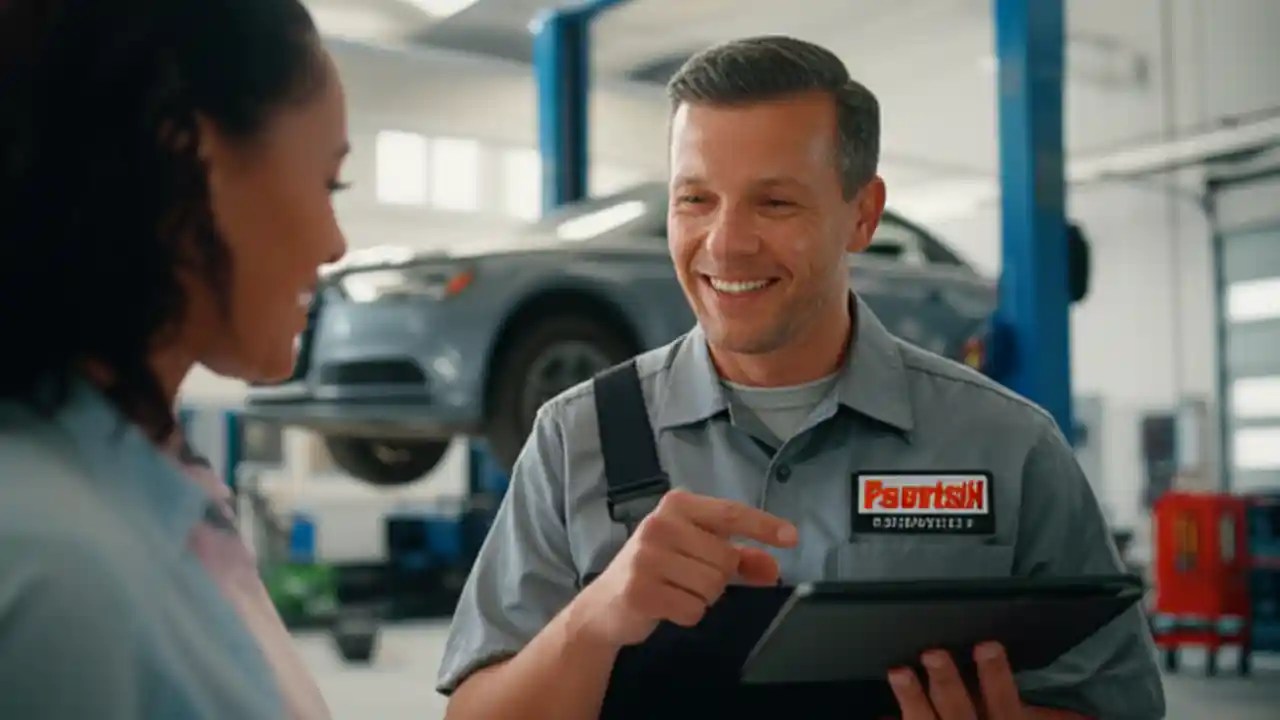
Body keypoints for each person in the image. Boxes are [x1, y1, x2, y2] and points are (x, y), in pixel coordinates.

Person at [437, 35, 1165, 720]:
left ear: (862, 215)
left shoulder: (1007, 448)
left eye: (774, 202)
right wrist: (593, 622)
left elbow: (1119, 702)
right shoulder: (578, 438)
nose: (727, 243)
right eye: (695, 199)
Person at [0, 1, 348, 718]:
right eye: (328, 184)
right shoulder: (65, 575)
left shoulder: (152, 498)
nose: (335, 242)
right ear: (192, 152)